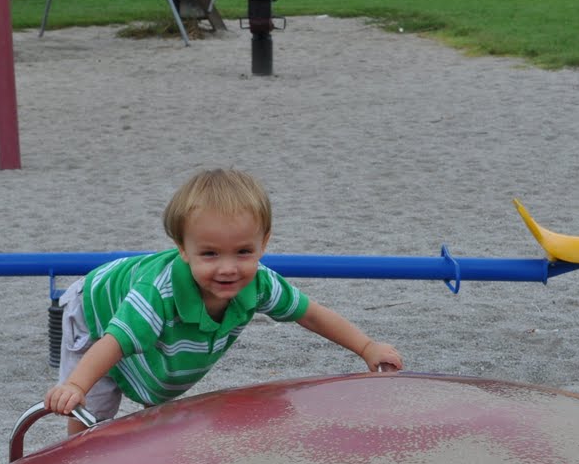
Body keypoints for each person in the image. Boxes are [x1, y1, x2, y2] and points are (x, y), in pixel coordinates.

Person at [45, 168, 404, 433]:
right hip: (96, 312)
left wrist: (367, 346)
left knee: (156, 384)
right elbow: (114, 343)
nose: (229, 268)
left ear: (265, 242)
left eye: (244, 251)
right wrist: (75, 386)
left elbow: (310, 314)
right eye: (211, 254)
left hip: (137, 316)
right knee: (94, 406)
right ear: (182, 250)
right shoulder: (157, 294)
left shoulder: (260, 283)